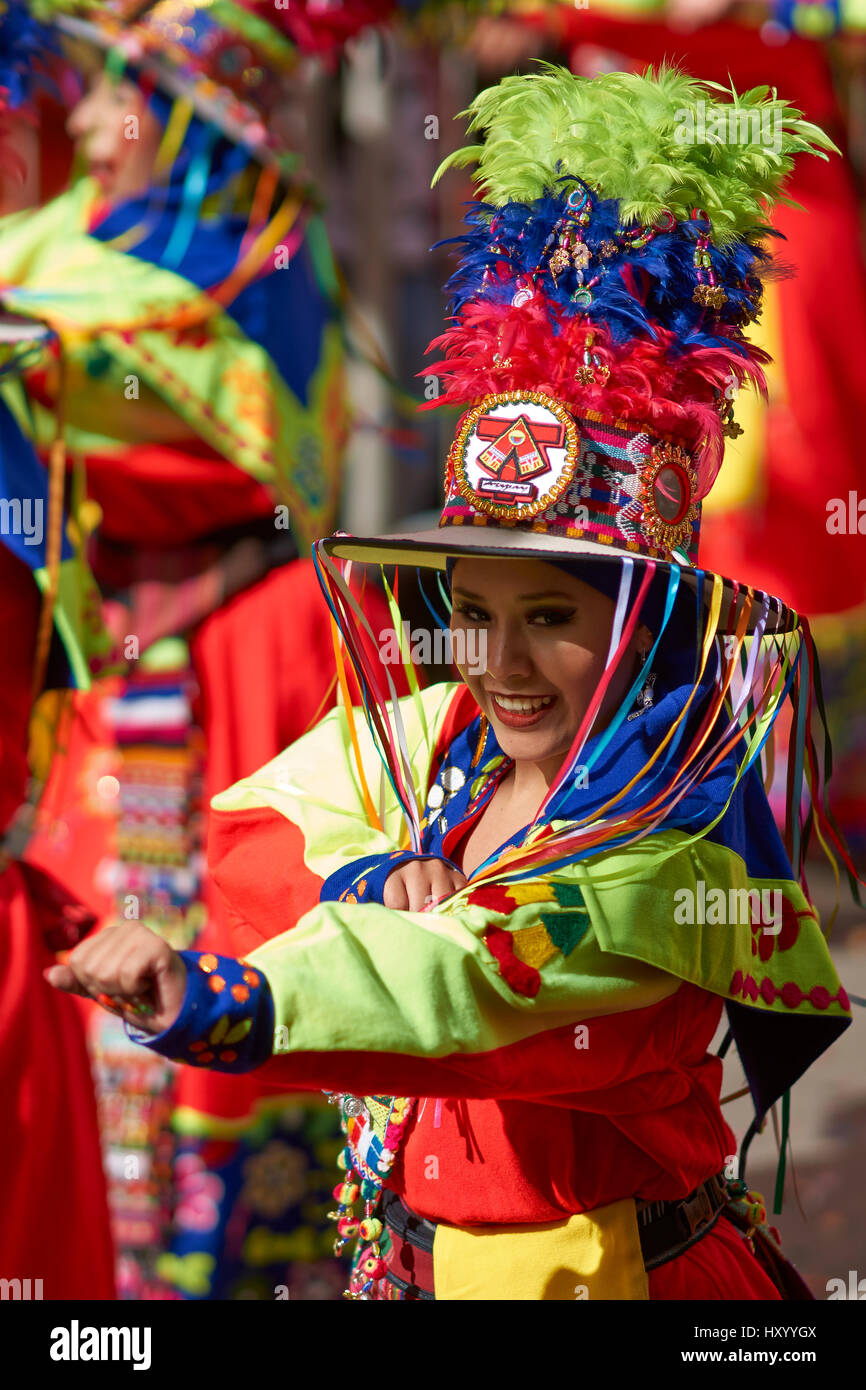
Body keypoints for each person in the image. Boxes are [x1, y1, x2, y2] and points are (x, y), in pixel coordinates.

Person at [47, 64, 856, 1301]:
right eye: (469, 615)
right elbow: (250, 829)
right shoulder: (439, 737)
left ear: (643, 630)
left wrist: (218, 994)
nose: (496, 662)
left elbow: (470, 983)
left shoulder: (670, 840)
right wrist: (377, 870)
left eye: (546, 617)